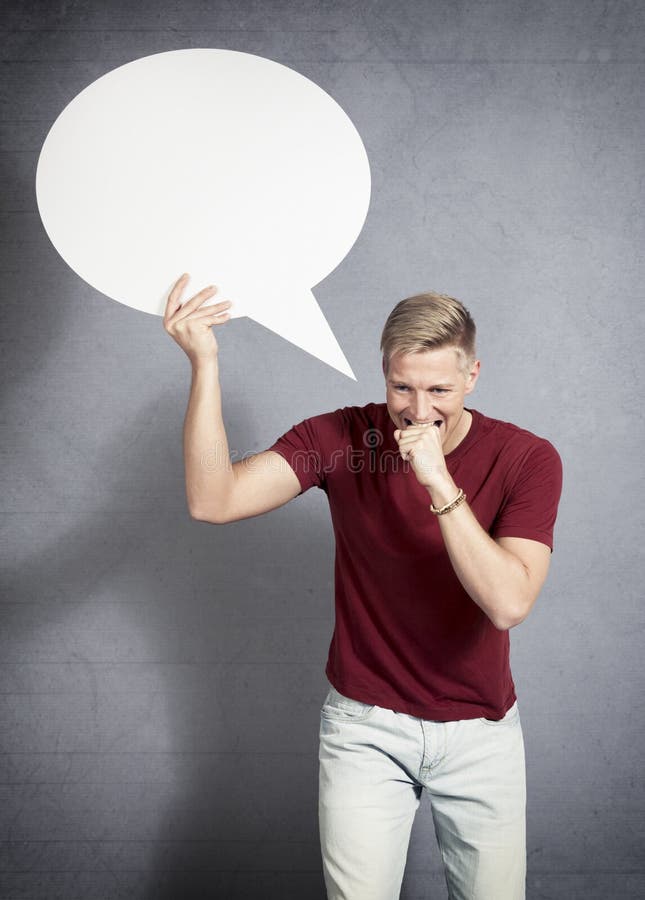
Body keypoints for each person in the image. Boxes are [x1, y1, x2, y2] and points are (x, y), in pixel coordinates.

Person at [163, 273, 563, 900]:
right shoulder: (342, 439)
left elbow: (508, 603)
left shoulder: (527, 458)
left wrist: (438, 482)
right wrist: (205, 363)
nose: (419, 410)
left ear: (473, 376)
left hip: (481, 732)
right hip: (365, 729)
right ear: (383, 373)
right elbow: (214, 499)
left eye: (439, 389)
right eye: (403, 387)